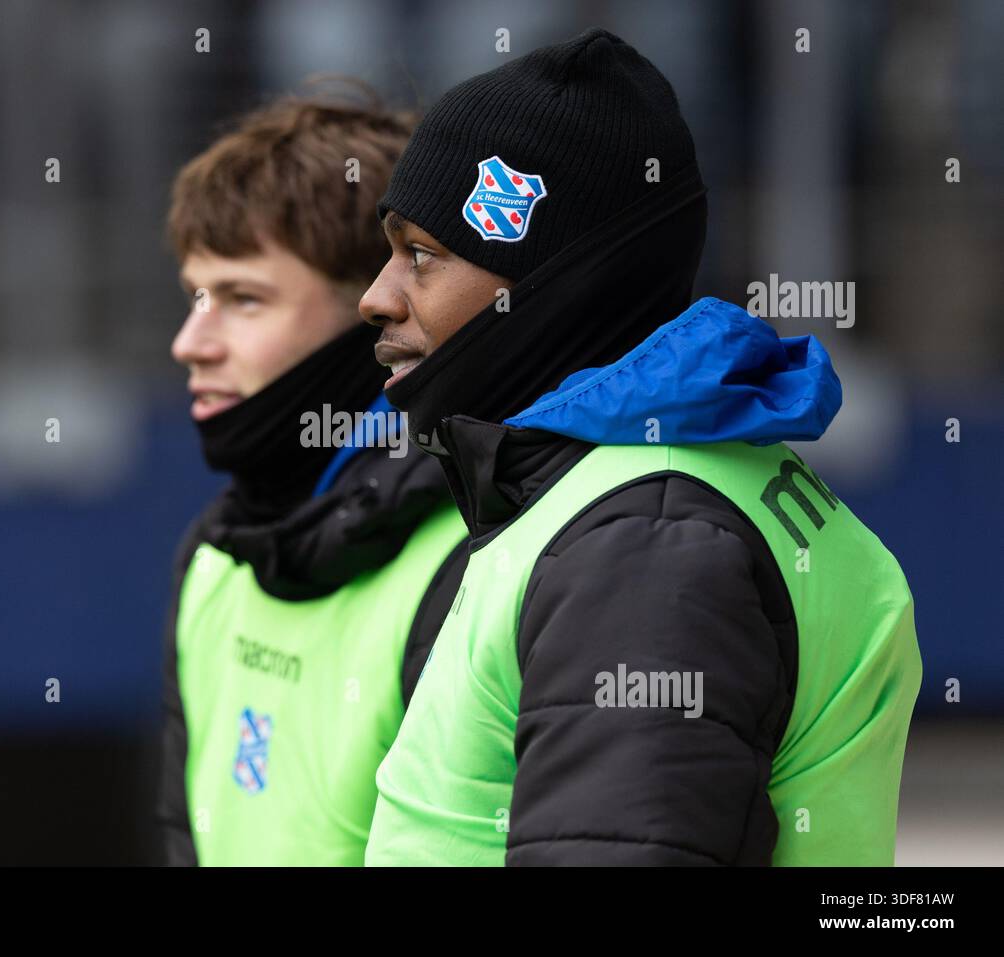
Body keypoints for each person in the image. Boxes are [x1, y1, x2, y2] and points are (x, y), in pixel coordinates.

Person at [358, 29, 922, 866]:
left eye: (423, 255)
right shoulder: (636, 495)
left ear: (558, 284)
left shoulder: (646, 538)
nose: (376, 297)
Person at [157, 90, 469, 866]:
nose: (190, 342)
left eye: (243, 299)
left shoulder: (479, 559)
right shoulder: (213, 557)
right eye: (195, 297)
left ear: (375, 311)